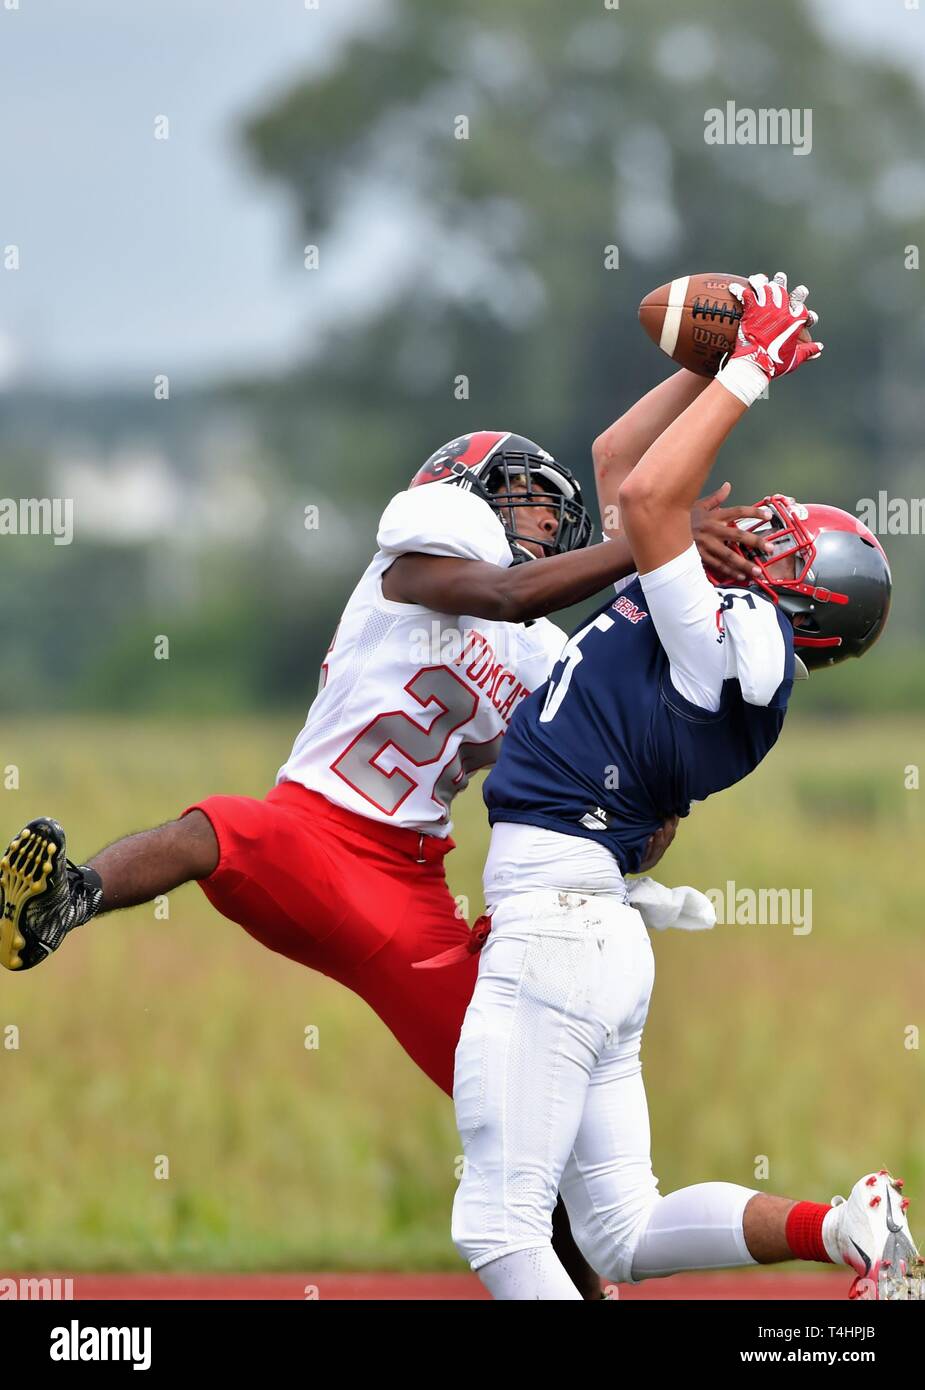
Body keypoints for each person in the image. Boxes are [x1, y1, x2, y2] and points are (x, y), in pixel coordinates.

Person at [0, 428, 760, 1297]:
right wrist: (646, 545)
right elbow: (506, 594)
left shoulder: (549, 654)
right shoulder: (421, 556)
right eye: (528, 499)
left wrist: (655, 799)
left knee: (523, 1131)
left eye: (556, 512)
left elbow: (584, 750)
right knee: (217, 829)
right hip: (316, 830)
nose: (546, 522)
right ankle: (64, 899)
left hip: (411, 891)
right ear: (457, 490)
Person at [451, 272, 915, 1301]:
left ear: (800, 601)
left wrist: (754, 364)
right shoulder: (713, 630)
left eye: (784, 541)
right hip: (594, 935)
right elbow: (624, 471)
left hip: (557, 929)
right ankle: (846, 1225)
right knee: (616, 1233)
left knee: (498, 1224)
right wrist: (707, 360)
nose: (763, 526)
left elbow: (654, 502)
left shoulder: (720, 648)